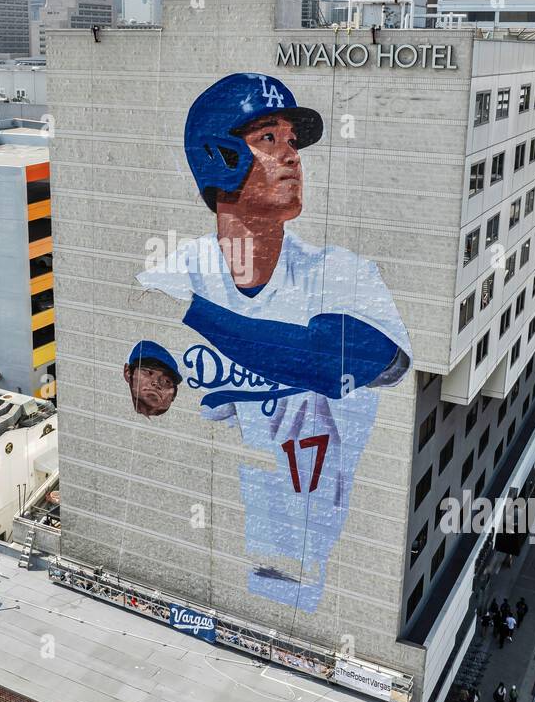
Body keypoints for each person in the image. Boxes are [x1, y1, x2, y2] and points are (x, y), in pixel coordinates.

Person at [136, 73, 412, 614]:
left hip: (324, 570)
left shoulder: (341, 271)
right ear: (218, 156)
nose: (292, 156)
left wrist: (197, 314)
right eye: (269, 140)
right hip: (202, 574)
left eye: (293, 141)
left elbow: (352, 360)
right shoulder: (168, 274)